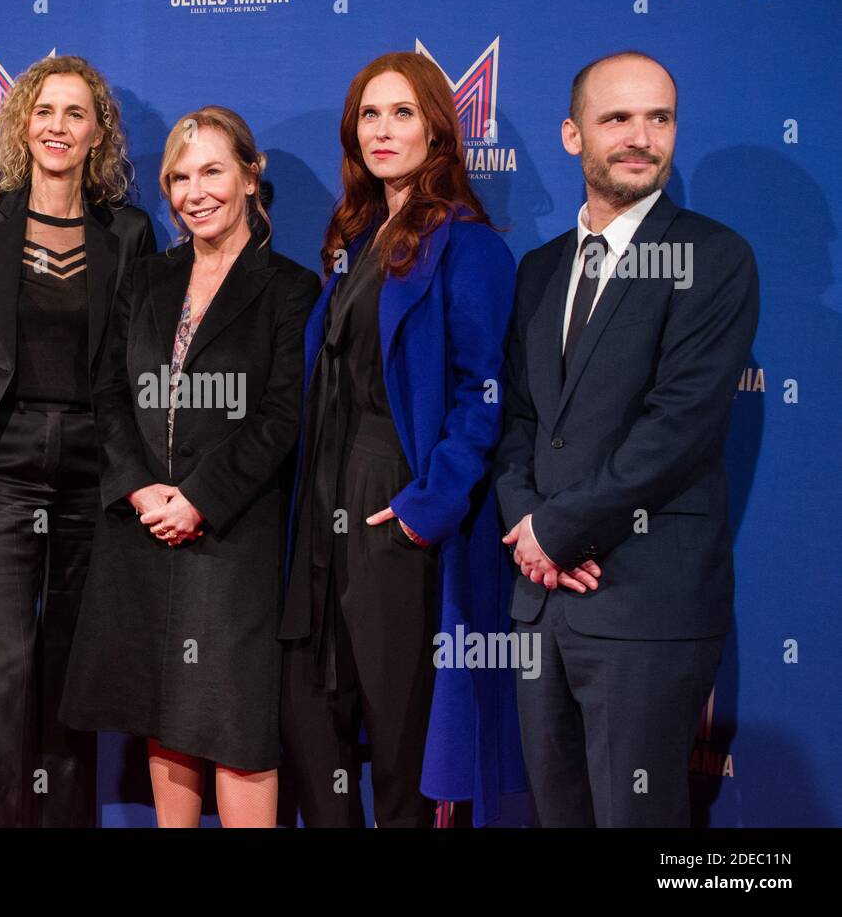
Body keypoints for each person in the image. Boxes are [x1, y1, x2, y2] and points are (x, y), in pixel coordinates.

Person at [494, 51, 759, 827]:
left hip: (646, 603)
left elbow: (677, 428)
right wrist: (528, 528)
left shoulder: (713, 258)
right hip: (542, 602)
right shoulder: (541, 269)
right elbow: (518, 419)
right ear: (573, 136)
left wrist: (557, 528)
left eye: (660, 118)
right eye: (618, 119)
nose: (641, 137)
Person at [279, 52, 522, 828]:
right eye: (369, 115)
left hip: (396, 510)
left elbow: (482, 391)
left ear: (439, 130)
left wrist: (429, 505)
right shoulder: (354, 239)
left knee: (403, 742)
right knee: (317, 724)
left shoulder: (468, 244)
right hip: (321, 504)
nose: (382, 130)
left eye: (403, 113)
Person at [60, 106, 319, 828]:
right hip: (142, 530)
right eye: (179, 175)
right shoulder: (146, 278)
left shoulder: (290, 289)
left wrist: (199, 498)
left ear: (249, 176)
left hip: (231, 537)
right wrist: (143, 488)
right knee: (164, 713)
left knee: (233, 724)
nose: (193, 191)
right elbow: (107, 391)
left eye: (212, 171)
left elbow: (281, 417)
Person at [0, 54, 154, 827]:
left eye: (76, 114)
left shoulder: (129, 231)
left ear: (99, 134)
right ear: (25, 123)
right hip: (4, 465)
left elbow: (137, 370)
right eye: (45, 111)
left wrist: (133, 480)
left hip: (94, 469)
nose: (58, 126)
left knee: (71, 668)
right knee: (7, 667)